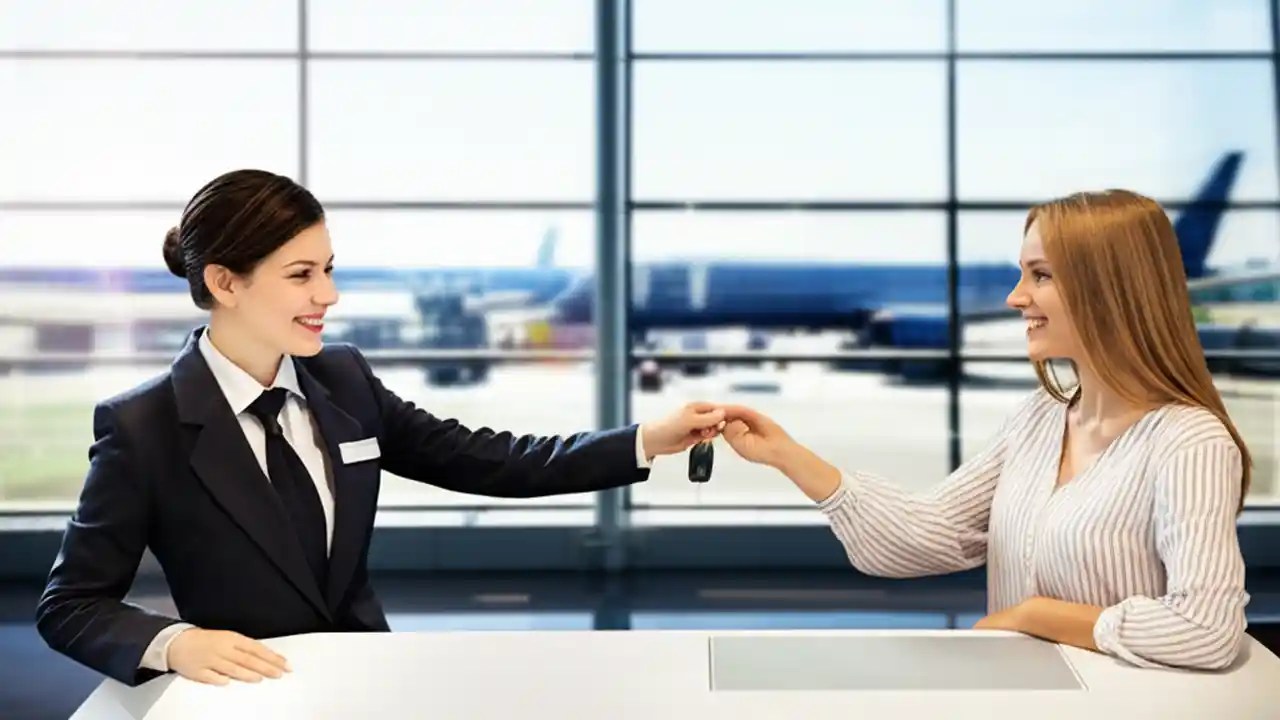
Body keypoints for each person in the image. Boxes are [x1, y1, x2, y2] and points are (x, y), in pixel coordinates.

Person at [36, 169, 725, 688]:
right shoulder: (144, 425)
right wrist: (174, 643)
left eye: (329, 270)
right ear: (225, 282)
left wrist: (643, 440)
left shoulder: (344, 379)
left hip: (367, 678)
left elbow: (493, 461)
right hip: (249, 695)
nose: (328, 295)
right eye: (301, 274)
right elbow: (71, 604)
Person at [717, 189, 1251, 671]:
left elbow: (1206, 632)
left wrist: (1036, 616)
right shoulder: (1039, 418)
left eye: (1040, 276)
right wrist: (788, 456)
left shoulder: (1189, 441)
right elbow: (926, 537)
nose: (1015, 298)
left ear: (1108, 290)